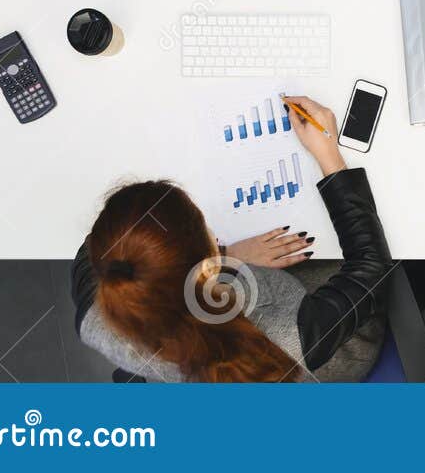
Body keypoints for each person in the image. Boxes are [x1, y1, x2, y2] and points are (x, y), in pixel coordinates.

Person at [72, 95, 391, 382]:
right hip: (322, 354)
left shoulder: (96, 317)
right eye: (204, 225)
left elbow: (96, 247)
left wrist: (228, 255)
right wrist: (328, 153)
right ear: (207, 263)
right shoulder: (285, 333)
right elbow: (371, 272)